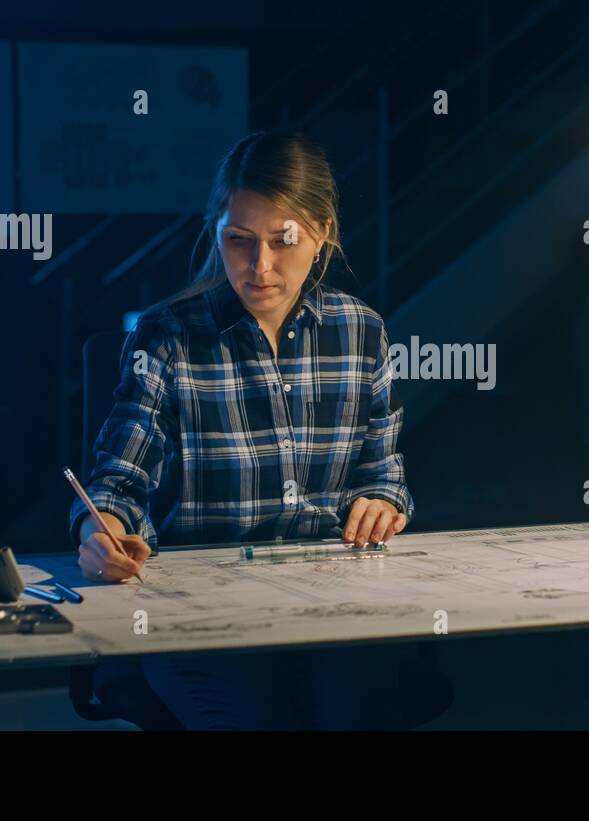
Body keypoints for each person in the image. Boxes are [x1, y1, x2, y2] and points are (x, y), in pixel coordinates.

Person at [69, 130, 414, 729]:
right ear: (216, 232)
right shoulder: (166, 336)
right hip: (201, 616)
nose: (260, 267)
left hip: (328, 607)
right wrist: (105, 532)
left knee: (353, 715)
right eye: (239, 241)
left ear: (322, 232)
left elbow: (381, 473)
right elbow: (118, 482)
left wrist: (382, 501)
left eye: (283, 241)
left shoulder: (362, 333)